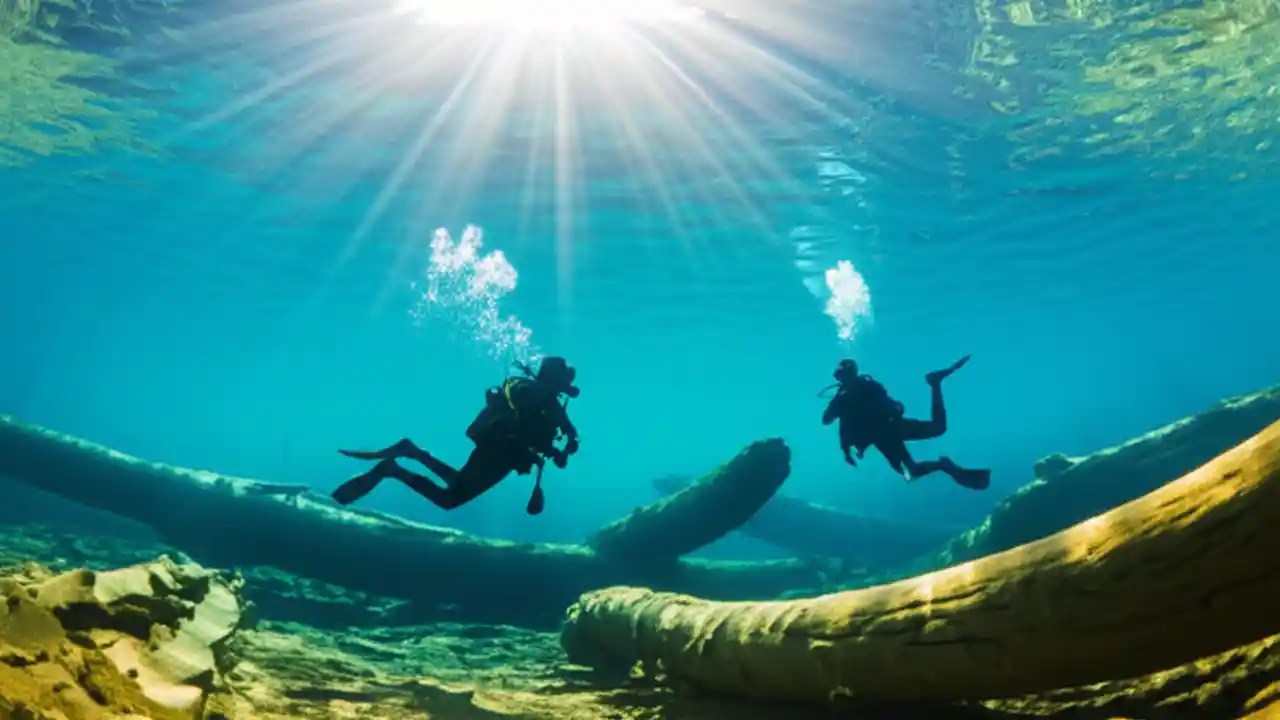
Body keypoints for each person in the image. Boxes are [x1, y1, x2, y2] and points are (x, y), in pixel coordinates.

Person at [330, 356, 582, 514]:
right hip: (499, 455)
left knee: (457, 484)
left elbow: (568, 429)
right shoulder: (538, 396)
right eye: (563, 379)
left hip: (500, 453)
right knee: (450, 499)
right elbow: (533, 423)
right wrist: (557, 448)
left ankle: (413, 452)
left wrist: (568, 444)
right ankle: (392, 469)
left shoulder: (544, 398)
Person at [821, 355, 990, 490]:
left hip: (887, 435)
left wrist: (847, 450)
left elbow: (831, 421)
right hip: (893, 428)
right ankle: (935, 383)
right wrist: (846, 450)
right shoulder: (863, 388)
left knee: (912, 471)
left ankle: (943, 466)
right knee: (937, 430)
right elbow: (838, 423)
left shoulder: (844, 398)